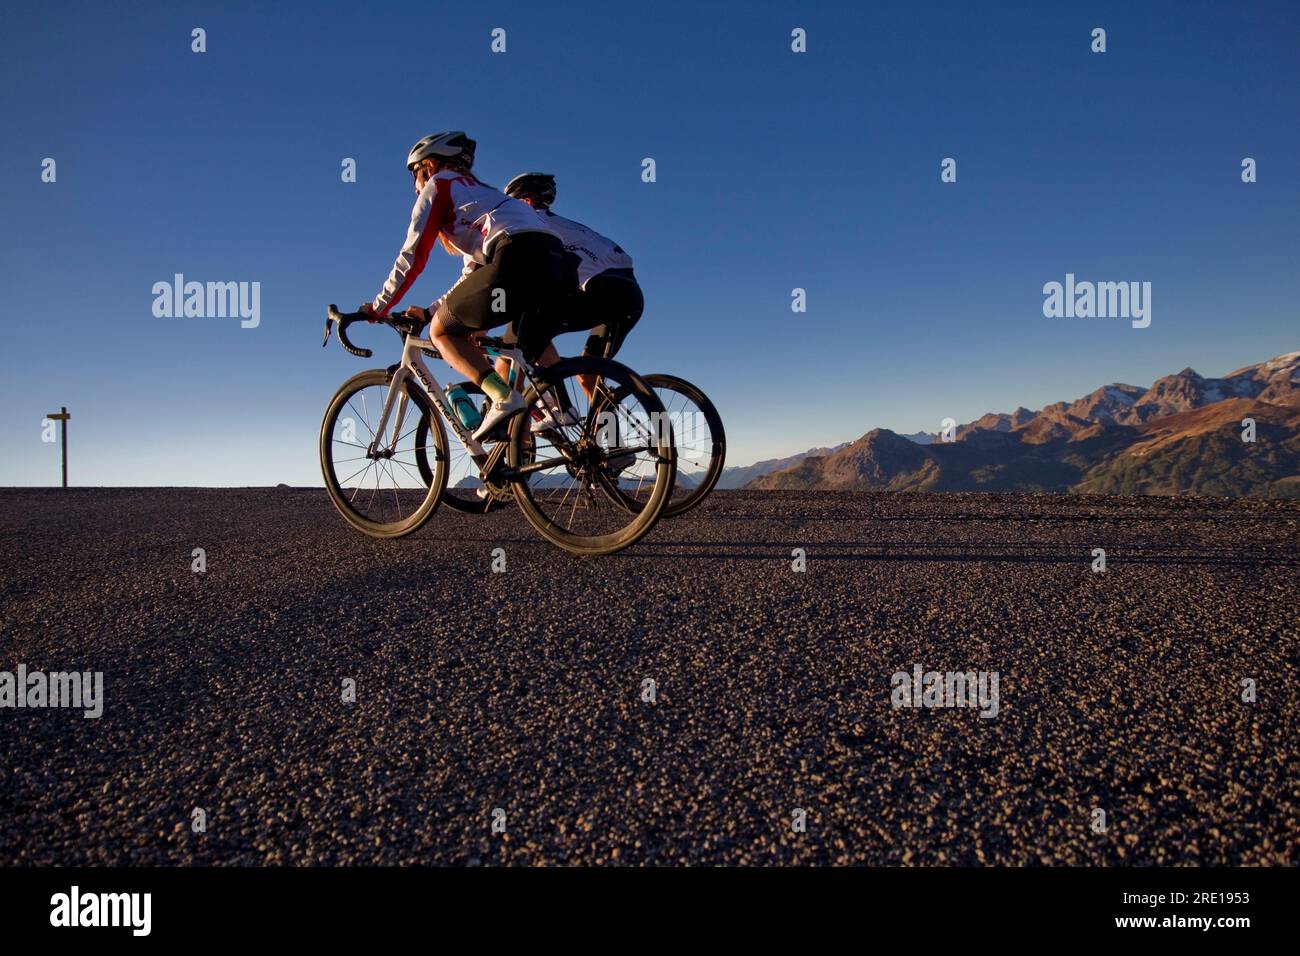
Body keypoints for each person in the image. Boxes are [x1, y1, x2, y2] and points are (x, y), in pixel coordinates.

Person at [360, 133, 577, 440]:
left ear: (430, 165)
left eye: (415, 173)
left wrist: (378, 306)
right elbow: (471, 277)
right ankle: (521, 451)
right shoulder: (486, 197)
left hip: (515, 257)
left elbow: (412, 257)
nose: (414, 185)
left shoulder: (440, 185)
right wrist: (430, 310)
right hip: (559, 266)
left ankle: (503, 398)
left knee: (441, 332)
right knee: (500, 347)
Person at [501, 172, 644, 401]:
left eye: (511, 205)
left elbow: (531, 278)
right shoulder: (565, 226)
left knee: (521, 340)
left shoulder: (536, 225)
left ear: (526, 202)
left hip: (606, 290)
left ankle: (557, 409)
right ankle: (609, 434)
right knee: (588, 378)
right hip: (629, 296)